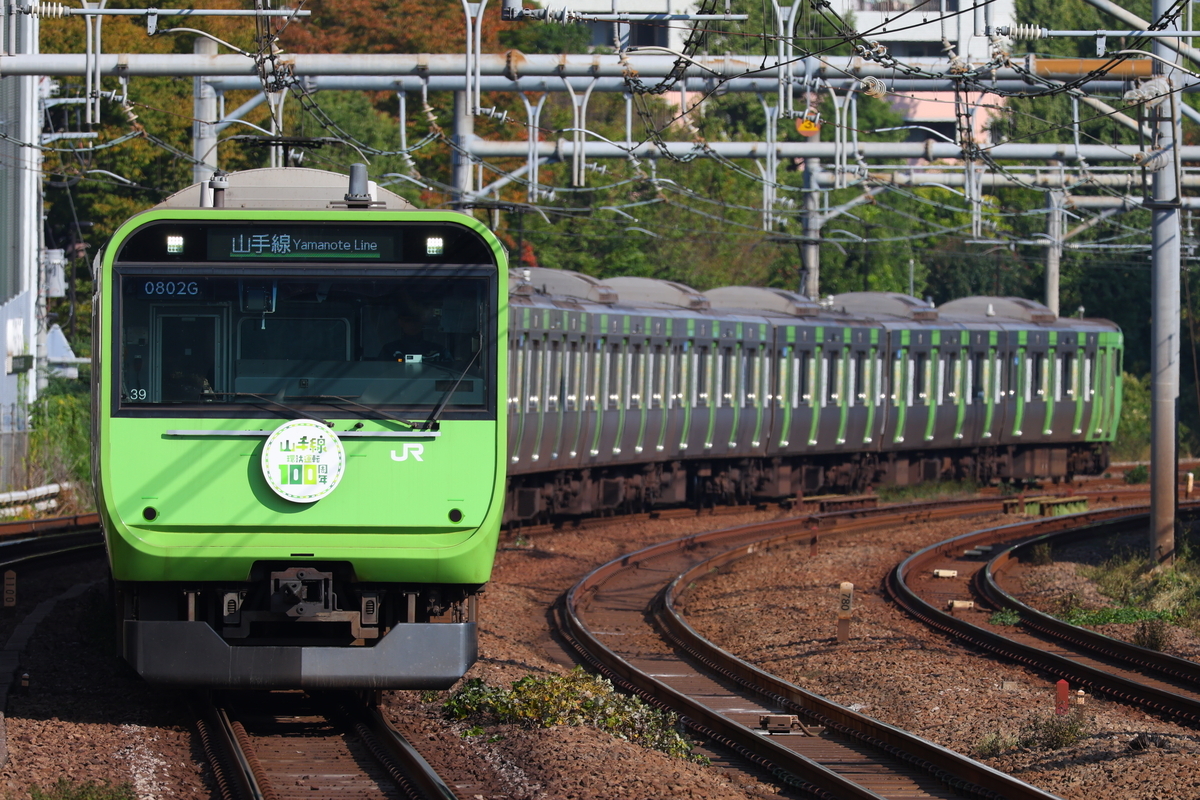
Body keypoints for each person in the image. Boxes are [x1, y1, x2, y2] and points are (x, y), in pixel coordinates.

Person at [375, 306, 450, 363]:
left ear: (423, 321)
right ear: (400, 322)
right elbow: (380, 376)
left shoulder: (438, 352)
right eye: (408, 320)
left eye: (416, 320)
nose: (413, 324)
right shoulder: (390, 351)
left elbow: (451, 378)